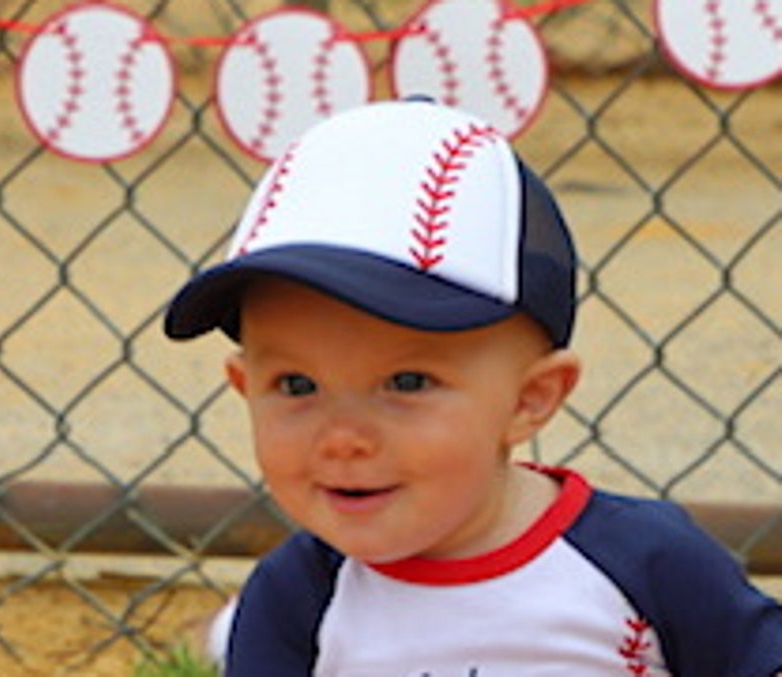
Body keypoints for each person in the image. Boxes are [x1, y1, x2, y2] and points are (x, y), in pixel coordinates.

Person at [164, 99, 782, 676]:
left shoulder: (649, 565)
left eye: (406, 382)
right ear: (244, 388)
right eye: (296, 384)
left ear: (531, 399)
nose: (343, 437)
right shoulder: (297, 598)